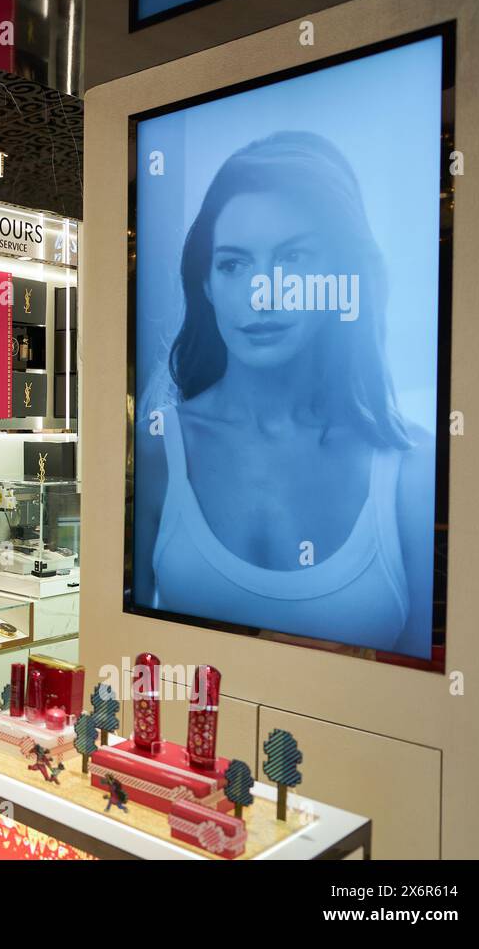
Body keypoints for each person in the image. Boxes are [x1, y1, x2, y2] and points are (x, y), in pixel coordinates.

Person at [134, 132, 434, 658]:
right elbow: (135, 653)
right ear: (205, 283)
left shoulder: (410, 466)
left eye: (293, 258)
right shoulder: (160, 446)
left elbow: (422, 707)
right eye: (234, 264)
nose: (263, 292)